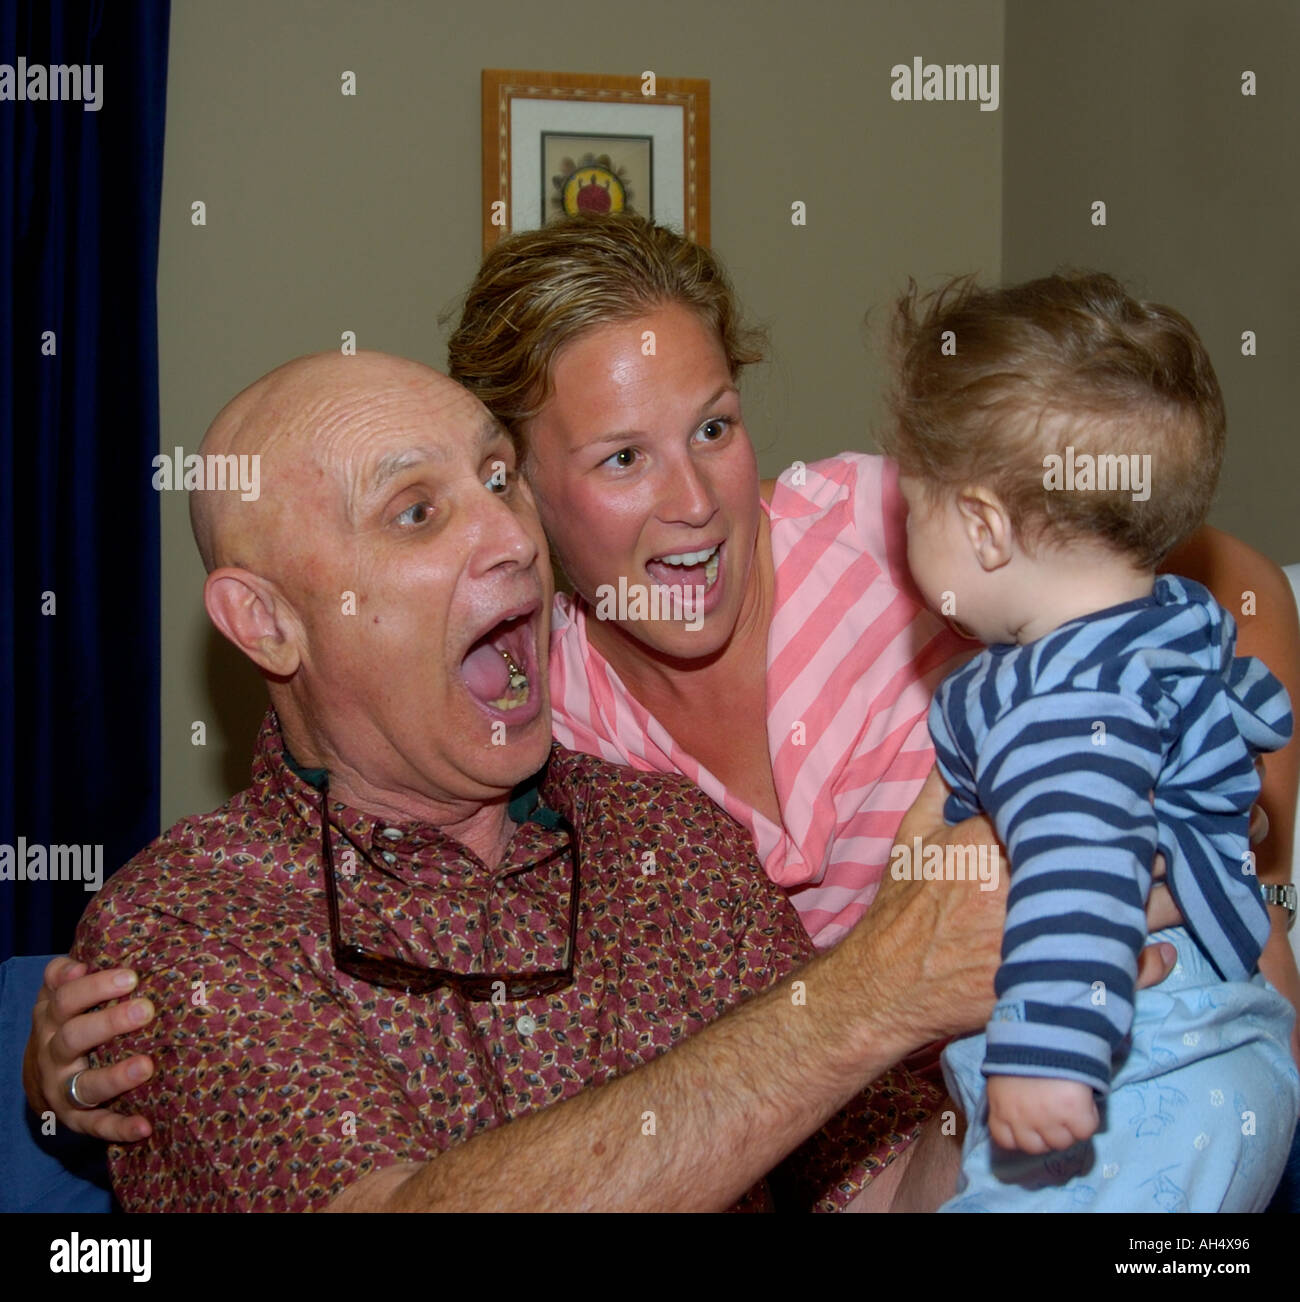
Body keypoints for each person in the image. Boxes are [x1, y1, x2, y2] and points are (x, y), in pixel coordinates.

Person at [28, 217, 1288, 1190]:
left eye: (716, 428)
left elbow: (1183, 569)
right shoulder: (212, 918)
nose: (692, 502)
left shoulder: (692, 815)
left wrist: (1235, 835)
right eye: (423, 510)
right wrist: (881, 993)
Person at [32, 349, 1029, 1212]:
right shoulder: (189, 929)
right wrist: (874, 992)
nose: (514, 539)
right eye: (416, 511)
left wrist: (1012, 1029)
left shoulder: (671, 838)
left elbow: (888, 1185)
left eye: (500, 479)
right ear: (264, 621)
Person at [882, 271, 1300, 1211]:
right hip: (1233, 1061)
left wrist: (1046, 1062)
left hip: (1125, 1093)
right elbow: (1249, 703)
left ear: (984, 529)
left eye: (913, 507)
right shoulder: (1174, 614)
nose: (900, 530)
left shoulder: (1053, 704)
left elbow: (1080, 877)